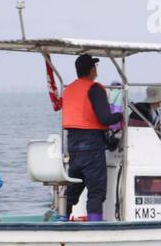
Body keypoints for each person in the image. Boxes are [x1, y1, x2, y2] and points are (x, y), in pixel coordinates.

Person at [48, 52, 121, 222]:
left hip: (73, 146)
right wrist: (121, 116)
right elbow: (105, 118)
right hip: (92, 146)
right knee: (96, 192)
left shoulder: (69, 90)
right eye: (95, 66)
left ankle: (62, 220)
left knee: (73, 190)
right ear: (91, 70)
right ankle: (95, 227)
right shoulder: (94, 89)